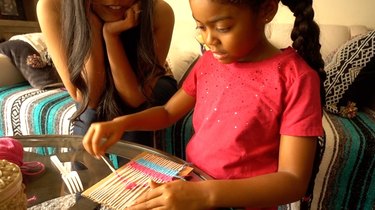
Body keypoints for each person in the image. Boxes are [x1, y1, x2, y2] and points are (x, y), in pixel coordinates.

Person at [82, 0, 326, 209]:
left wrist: (205, 194)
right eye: (200, 26)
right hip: (191, 188)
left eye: (222, 27)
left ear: (266, 10)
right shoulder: (209, 61)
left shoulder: (296, 78)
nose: (208, 40)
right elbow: (168, 112)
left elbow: (292, 181)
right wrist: (122, 123)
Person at [36, 0, 177, 146]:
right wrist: (90, 24)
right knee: (88, 116)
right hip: (95, 84)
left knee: (132, 121)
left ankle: (136, 169)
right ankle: (82, 169)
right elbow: (87, 98)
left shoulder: (159, 11)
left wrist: (111, 36)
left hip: (150, 86)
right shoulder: (52, 6)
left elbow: (134, 98)